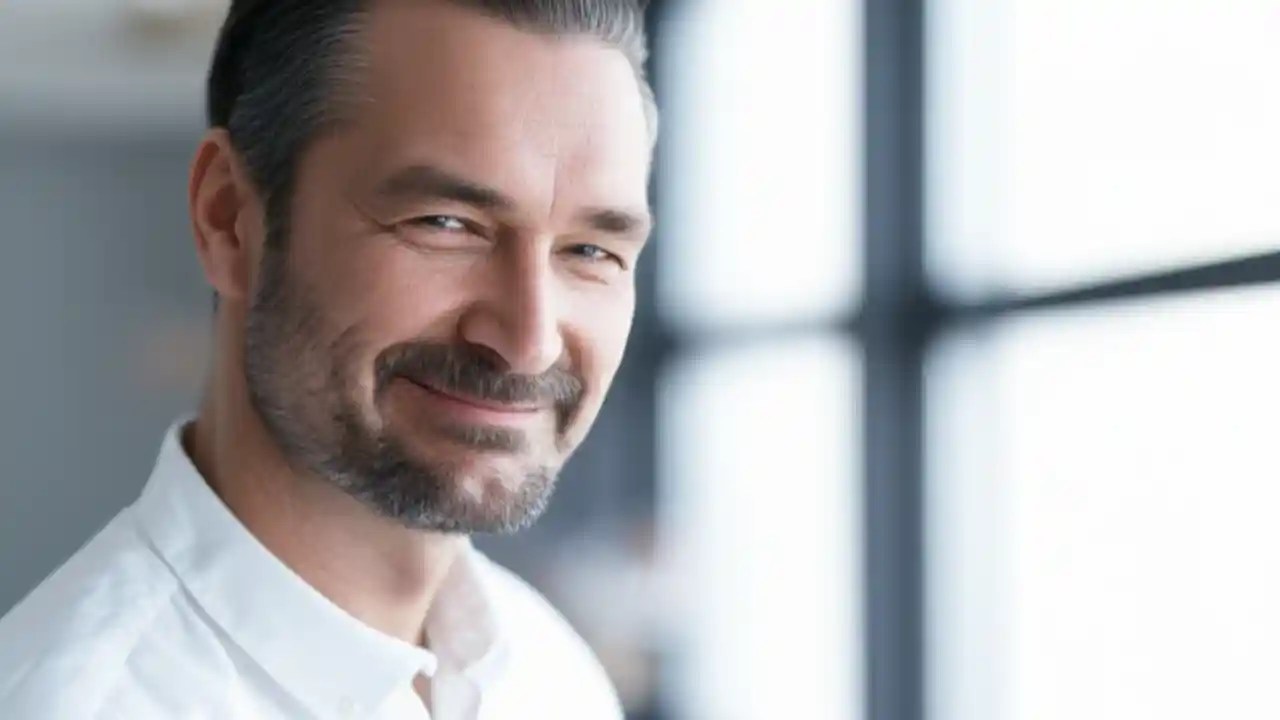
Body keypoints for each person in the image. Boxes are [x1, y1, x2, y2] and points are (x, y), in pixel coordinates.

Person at [0, 0, 657, 717]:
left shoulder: (548, 672)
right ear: (228, 219)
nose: (530, 339)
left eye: (592, 251)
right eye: (444, 224)